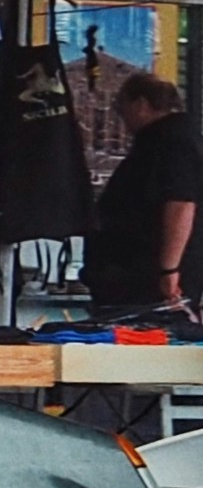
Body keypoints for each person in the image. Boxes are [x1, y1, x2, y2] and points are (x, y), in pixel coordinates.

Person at [86, 74, 202, 323]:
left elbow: (181, 204)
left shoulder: (174, 142)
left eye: (121, 108)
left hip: (147, 278)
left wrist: (169, 269)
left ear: (141, 104)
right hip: (131, 273)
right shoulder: (159, 141)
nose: (122, 118)